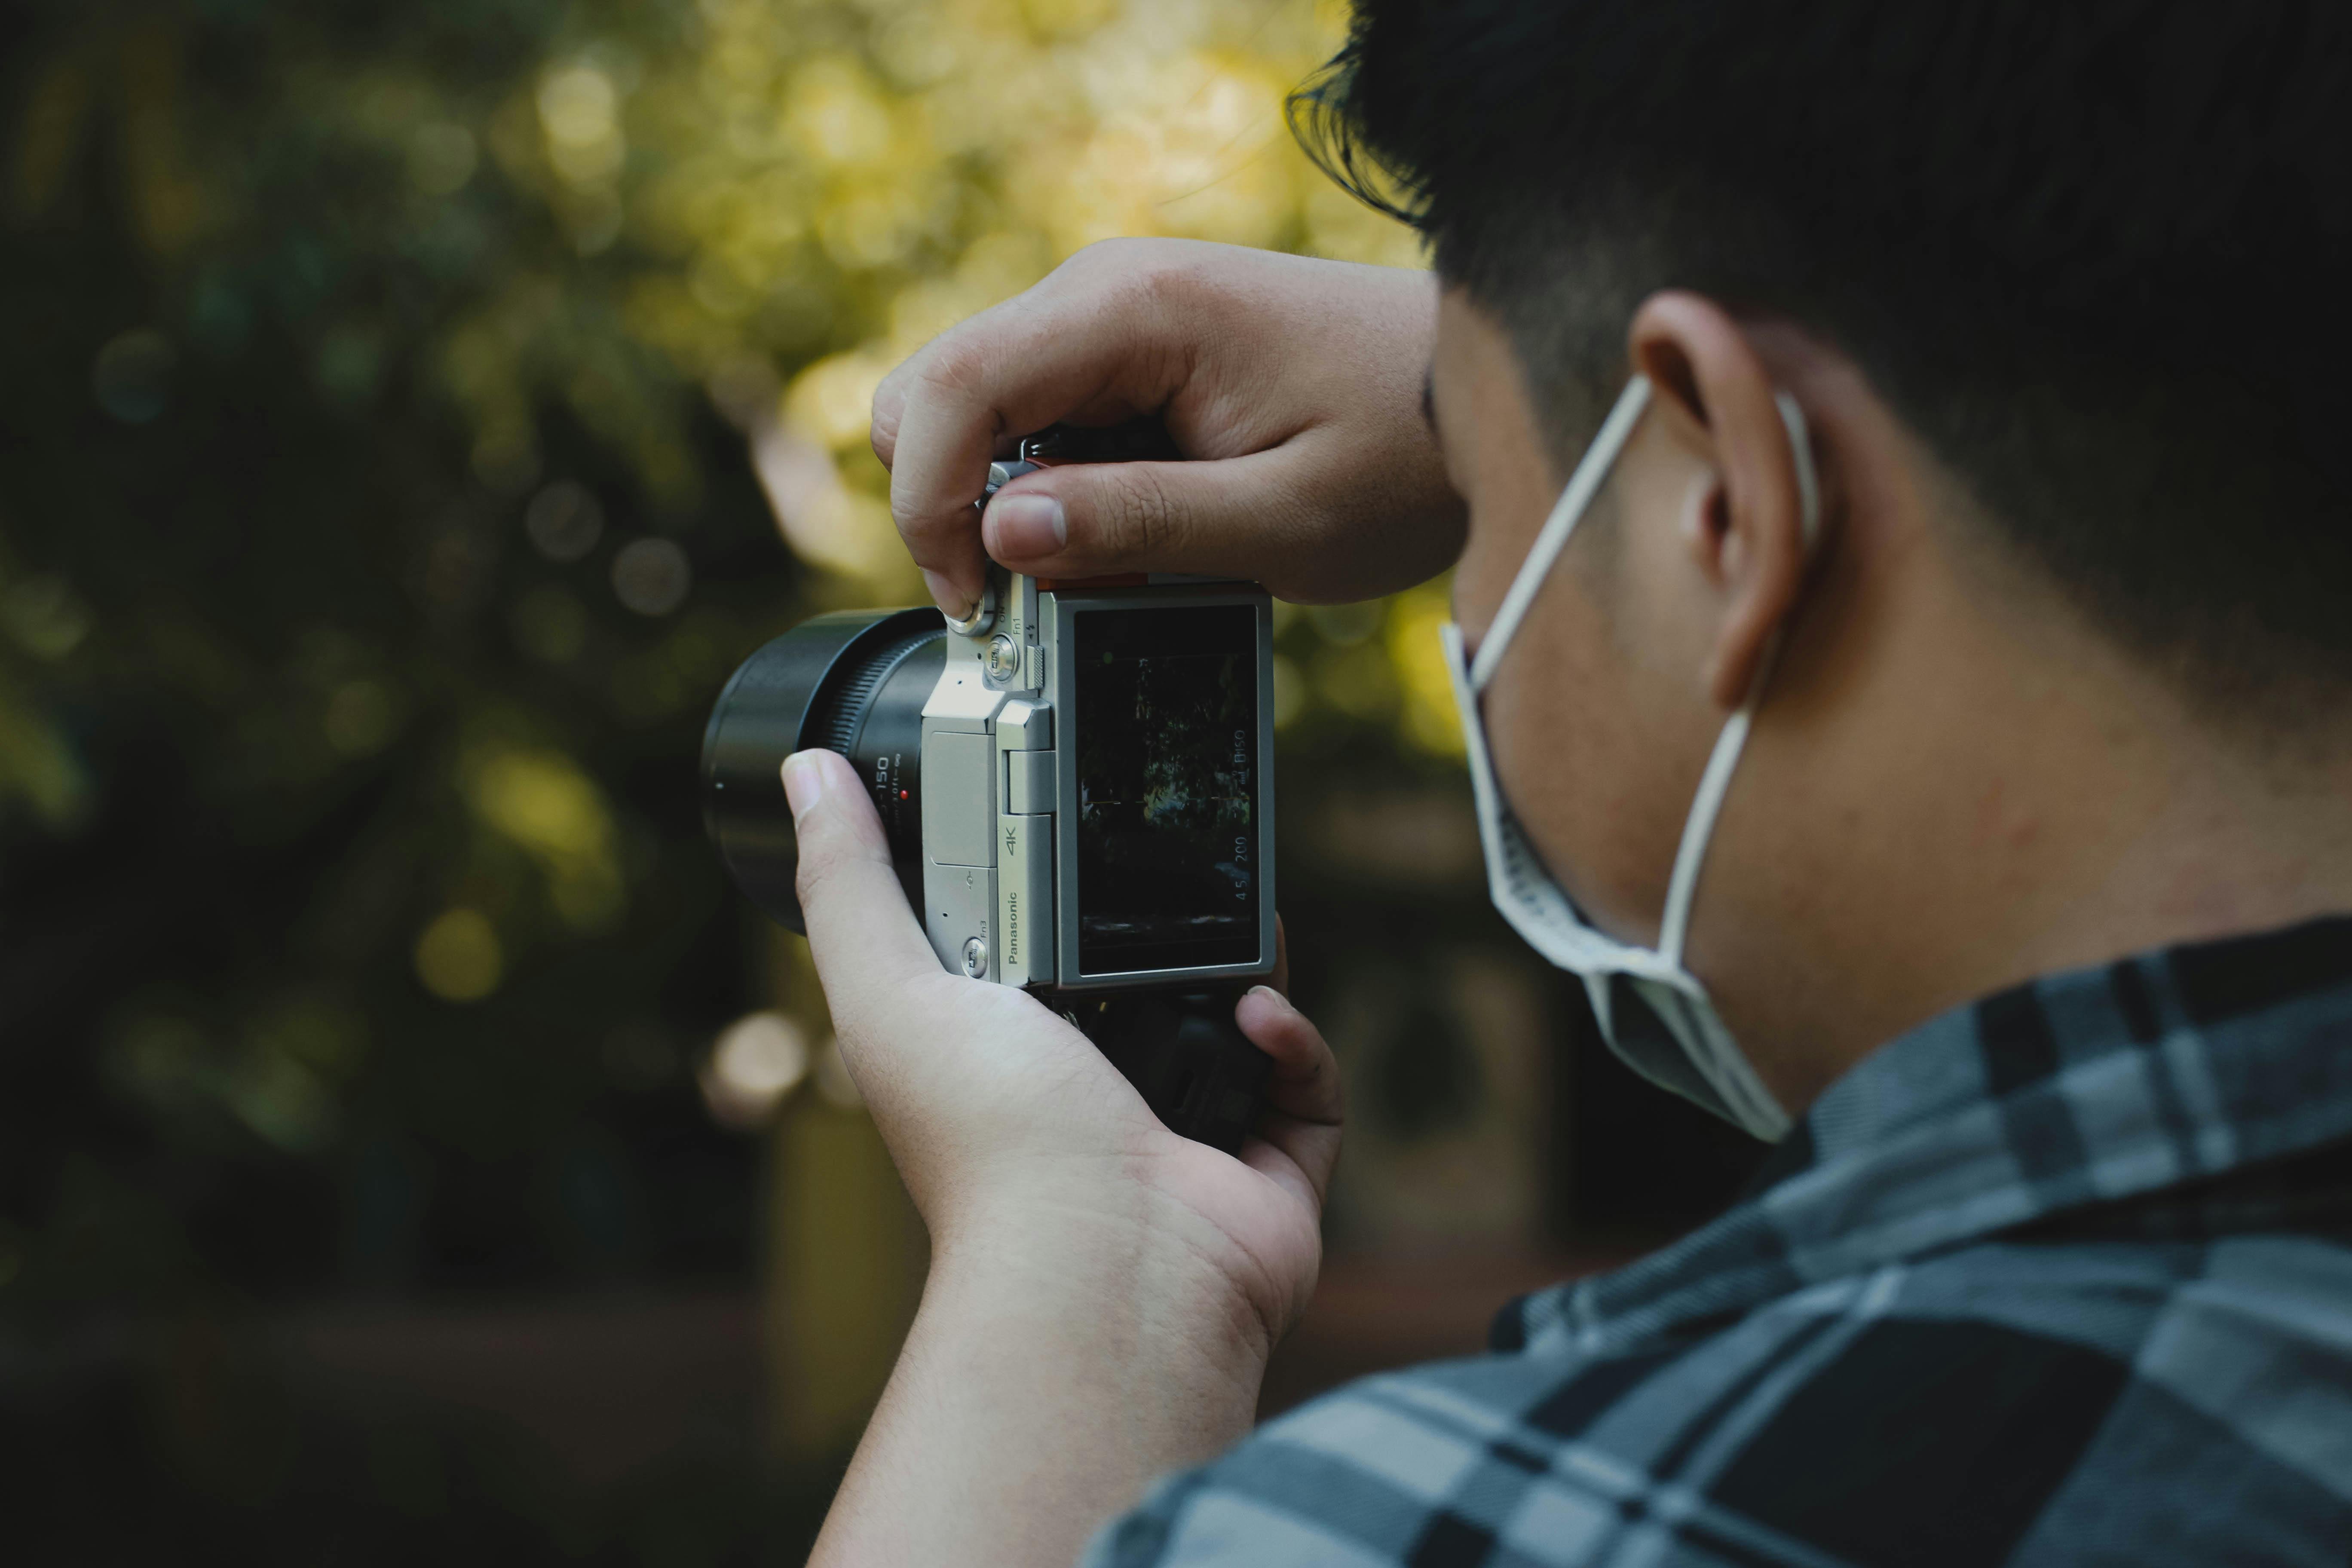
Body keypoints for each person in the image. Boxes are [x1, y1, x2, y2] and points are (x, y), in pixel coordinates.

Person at [778, 3, 2352, 1562]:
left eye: (1462, 475)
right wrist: (1538, 370)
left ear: (1728, 505)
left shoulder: (1534, 1530)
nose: (1464, 592)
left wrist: (1088, 1283)